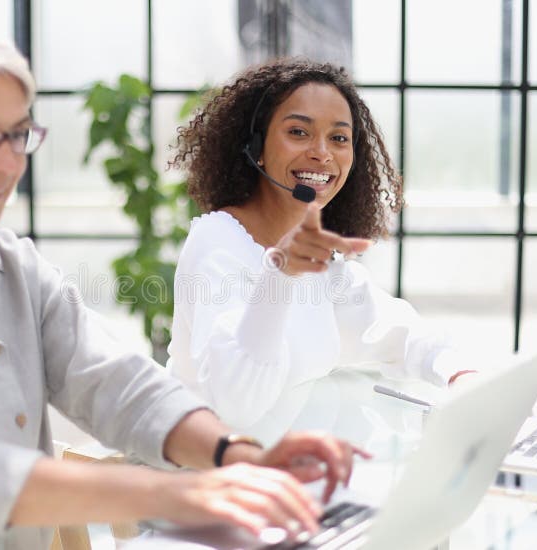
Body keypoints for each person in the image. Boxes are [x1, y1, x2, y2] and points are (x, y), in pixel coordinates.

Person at [0, 24, 368, 549]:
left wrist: (236, 454)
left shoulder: (17, 271)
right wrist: (179, 492)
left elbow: (117, 384)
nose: (4, 164)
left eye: (16, 136)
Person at [166, 59, 477, 446]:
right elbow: (237, 405)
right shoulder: (218, 242)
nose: (322, 153)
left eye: (339, 138)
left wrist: (461, 375)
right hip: (213, 479)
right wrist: (280, 273)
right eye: (299, 132)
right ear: (255, 147)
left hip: (288, 469)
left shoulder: (318, 258)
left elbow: (398, 330)